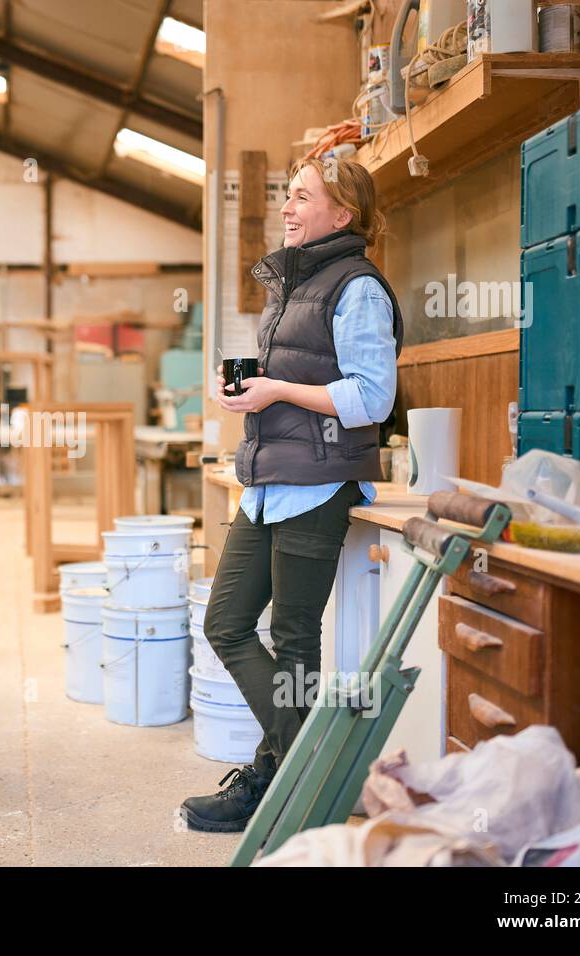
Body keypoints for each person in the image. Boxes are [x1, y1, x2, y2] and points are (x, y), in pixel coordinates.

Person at [181, 157, 402, 832]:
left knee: (295, 636)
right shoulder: (295, 281)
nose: (287, 206)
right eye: (288, 194)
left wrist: (275, 390)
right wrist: (244, 392)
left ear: (342, 215)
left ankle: (283, 784)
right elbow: (295, 379)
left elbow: (373, 396)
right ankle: (300, 768)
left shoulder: (358, 288)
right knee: (225, 621)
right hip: (270, 477)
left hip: (321, 479)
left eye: (302, 196)